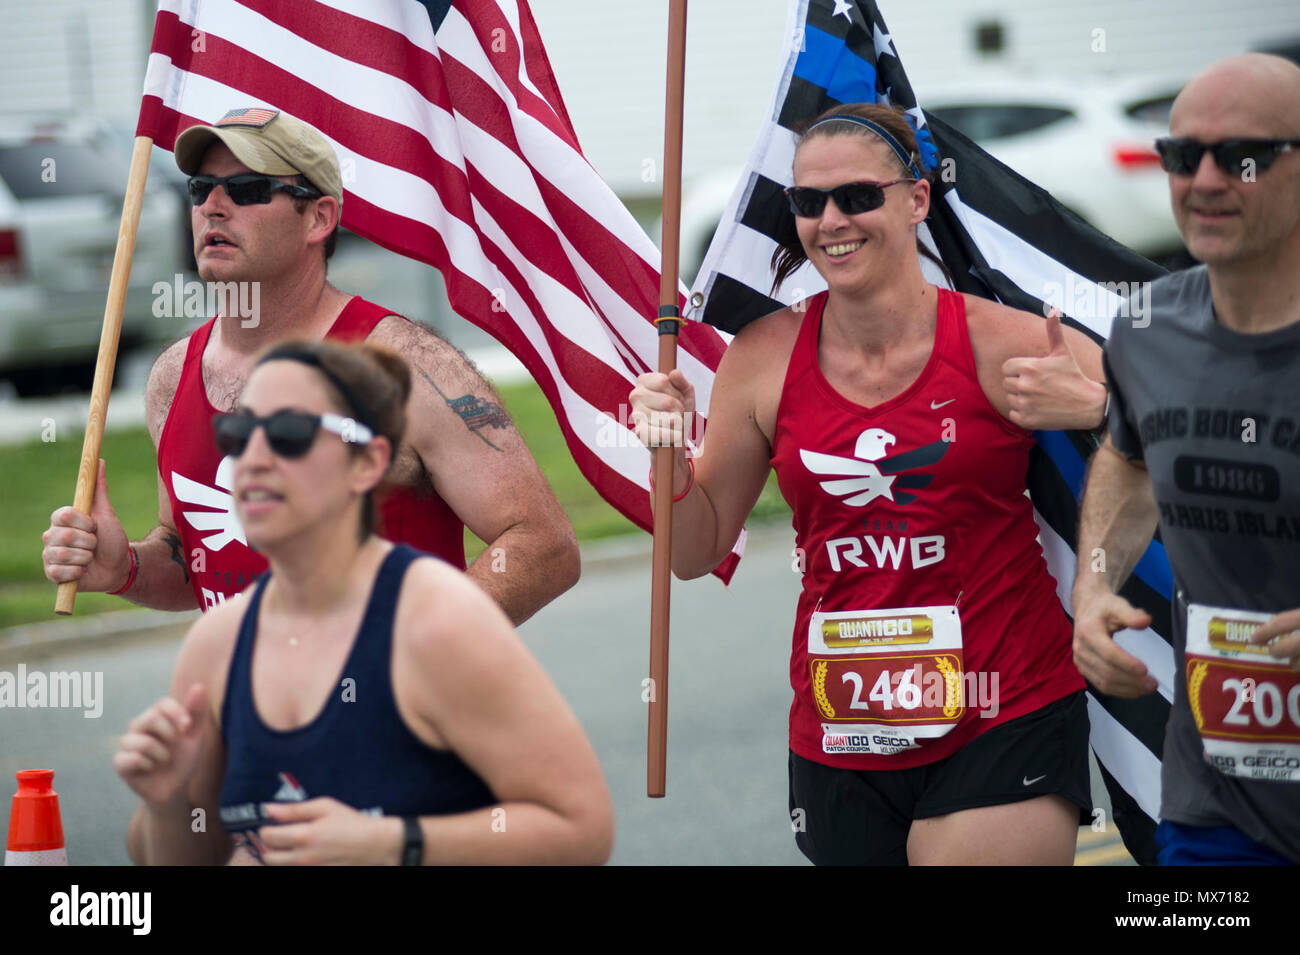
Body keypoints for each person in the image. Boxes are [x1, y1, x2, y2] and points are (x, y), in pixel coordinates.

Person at [630, 103, 1110, 866]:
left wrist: (1101, 406)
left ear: (916, 198)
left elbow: (1169, 437)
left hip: (1003, 705)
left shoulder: (1005, 340)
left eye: (857, 196)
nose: (830, 220)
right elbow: (693, 551)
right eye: (807, 202)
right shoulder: (762, 357)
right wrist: (664, 454)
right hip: (840, 726)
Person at [42, 108, 577, 624]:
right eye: (201, 189)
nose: (214, 207)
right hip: (253, 715)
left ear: (318, 218)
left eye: (248, 189)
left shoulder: (404, 365)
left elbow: (542, 544)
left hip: (399, 714)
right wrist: (125, 569)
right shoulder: (173, 374)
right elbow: (201, 559)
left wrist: (406, 656)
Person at [115, 340, 613, 865]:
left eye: (289, 434)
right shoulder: (218, 645)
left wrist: (392, 843)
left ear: (367, 462)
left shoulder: (437, 622)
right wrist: (168, 805)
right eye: (237, 435)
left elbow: (581, 828)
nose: (252, 459)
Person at [1072, 53, 1300, 866]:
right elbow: (1130, 463)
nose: (1204, 179)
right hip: (1218, 803)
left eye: (1243, 156)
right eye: (1180, 155)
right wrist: (1094, 583)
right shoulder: (1148, 328)